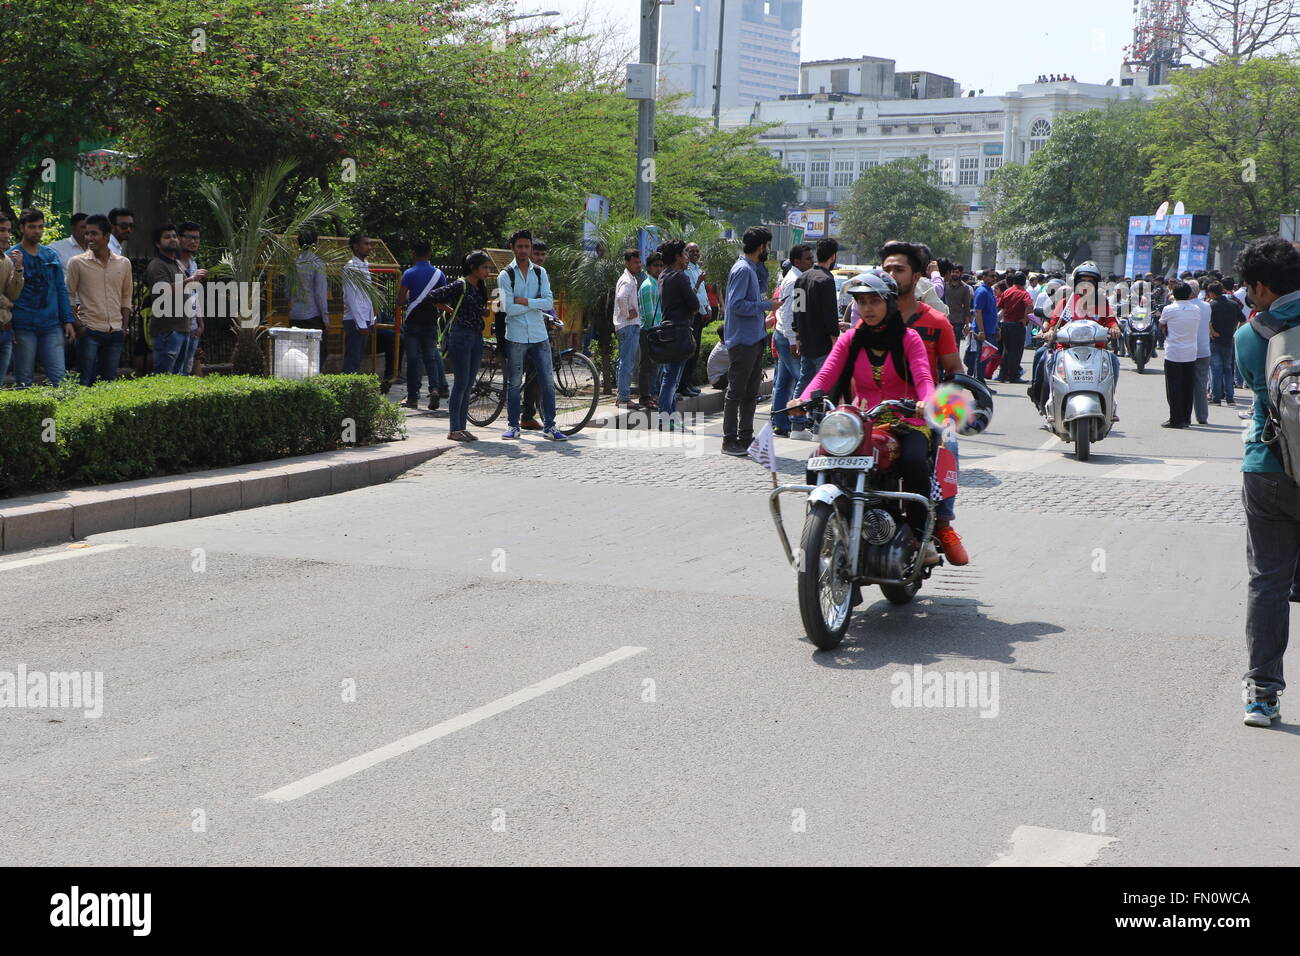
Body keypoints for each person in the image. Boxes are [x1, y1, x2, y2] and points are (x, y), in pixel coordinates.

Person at [791, 271, 938, 561]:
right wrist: (803, 399)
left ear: (890, 303)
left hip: (907, 422)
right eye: (861, 302)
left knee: (913, 461)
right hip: (862, 424)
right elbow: (825, 374)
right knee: (816, 459)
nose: (867, 308)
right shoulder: (849, 339)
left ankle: (923, 537)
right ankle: (825, 530)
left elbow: (923, 375)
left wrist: (927, 402)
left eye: (874, 301)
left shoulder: (909, 339)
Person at [1233, 237, 1300, 725]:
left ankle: (1262, 692)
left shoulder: (1249, 335)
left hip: (1270, 466)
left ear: (1261, 286)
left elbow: (1258, 391)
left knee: (1269, 581)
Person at [880, 242, 969, 565]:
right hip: (874, 411)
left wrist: (937, 404)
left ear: (917, 277)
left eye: (898, 269)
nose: (891, 275)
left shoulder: (936, 322)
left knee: (948, 444)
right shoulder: (867, 313)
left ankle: (940, 524)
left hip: (920, 410)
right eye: (886, 269)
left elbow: (955, 371)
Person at [498, 229, 566, 441]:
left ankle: (550, 426)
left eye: (527, 246)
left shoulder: (540, 273)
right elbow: (508, 308)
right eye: (520, 246)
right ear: (513, 248)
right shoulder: (505, 275)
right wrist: (533, 304)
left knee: (547, 382)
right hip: (516, 335)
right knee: (514, 383)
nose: (524, 250)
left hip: (539, 334)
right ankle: (513, 425)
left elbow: (548, 302)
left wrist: (525, 301)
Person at [1030, 262, 1121, 409]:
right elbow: (1054, 323)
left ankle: (1109, 400)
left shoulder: (1102, 303)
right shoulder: (1066, 303)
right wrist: (1051, 332)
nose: (1086, 284)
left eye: (1091, 281)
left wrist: (1115, 328)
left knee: (1114, 361)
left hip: (1096, 351)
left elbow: (1111, 321)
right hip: (1066, 350)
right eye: (1083, 280)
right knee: (1044, 360)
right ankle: (1044, 399)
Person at [425, 250, 493, 441]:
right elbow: (433, 296)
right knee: (461, 383)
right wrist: (449, 309)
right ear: (473, 268)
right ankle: (454, 429)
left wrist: (483, 312)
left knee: (468, 384)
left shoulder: (480, 286)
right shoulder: (460, 284)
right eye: (484, 267)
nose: (488, 271)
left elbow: (474, 308)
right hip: (461, 336)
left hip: (476, 337)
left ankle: (461, 427)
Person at [720, 226, 775, 455]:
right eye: (767, 246)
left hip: (755, 337)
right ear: (761, 246)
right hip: (743, 341)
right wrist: (767, 306)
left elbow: (761, 287)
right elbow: (737, 305)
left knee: (751, 393)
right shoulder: (742, 269)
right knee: (736, 392)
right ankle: (729, 440)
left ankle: (746, 437)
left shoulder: (751, 268)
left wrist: (761, 265)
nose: (769, 250)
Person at [10, 209, 75, 386]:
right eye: (32, 227)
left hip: (51, 324)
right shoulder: (12, 256)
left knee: (59, 378)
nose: (37, 231)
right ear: (22, 227)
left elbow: (61, 289)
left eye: (40, 227)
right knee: (24, 380)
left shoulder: (50, 255)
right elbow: (7, 295)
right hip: (23, 324)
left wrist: (68, 320)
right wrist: (10, 327)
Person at [64, 214, 131, 385]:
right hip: (89, 331)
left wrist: (123, 327)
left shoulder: (123, 263)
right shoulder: (77, 262)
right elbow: (68, 295)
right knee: (85, 381)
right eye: (87, 234)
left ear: (107, 236)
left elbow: (126, 297)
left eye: (93, 234)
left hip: (115, 330)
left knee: (108, 383)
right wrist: (79, 325)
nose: (88, 238)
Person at [791, 238, 840, 440]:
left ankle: (796, 425)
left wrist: (798, 335)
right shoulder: (826, 280)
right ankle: (819, 428)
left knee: (803, 381)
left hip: (806, 339)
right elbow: (830, 315)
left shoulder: (801, 279)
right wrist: (835, 339)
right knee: (822, 386)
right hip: (823, 342)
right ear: (833, 256)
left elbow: (797, 310)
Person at [395, 238, 449, 410]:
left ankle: (412, 398)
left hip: (412, 321)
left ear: (413, 253)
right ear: (430, 253)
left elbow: (400, 300)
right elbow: (443, 300)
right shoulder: (439, 274)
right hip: (430, 320)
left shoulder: (408, 274)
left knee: (412, 359)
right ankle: (434, 389)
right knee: (430, 357)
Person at [655, 239, 697, 430]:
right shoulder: (680, 277)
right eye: (685, 253)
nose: (687, 258)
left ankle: (670, 416)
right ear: (678, 256)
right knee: (671, 378)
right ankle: (665, 418)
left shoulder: (663, 275)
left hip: (667, 330)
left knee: (669, 376)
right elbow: (694, 304)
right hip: (679, 331)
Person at [771, 242, 811, 436]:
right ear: (797, 261)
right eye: (808, 259)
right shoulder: (796, 280)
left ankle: (781, 423)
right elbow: (789, 315)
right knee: (801, 381)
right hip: (787, 337)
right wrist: (793, 341)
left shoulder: (798, 278)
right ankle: (798, 423)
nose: (812, 262)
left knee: (784, 383)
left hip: (784, 335)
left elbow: (798, 311)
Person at [143, 223, 190, 374]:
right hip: (167, 331)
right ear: (158, 243)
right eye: (167, 237)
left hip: (183, 329)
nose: (173, 239)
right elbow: (162, 291)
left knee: (179, 379)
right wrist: (191, 280)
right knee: (164, 378)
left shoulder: (178, 264)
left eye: (174, 236)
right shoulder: (157, 265)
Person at [1159, 280, 1201, 428]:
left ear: (1173, 294)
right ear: (1189, 294)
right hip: (1190, 352)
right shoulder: (1196, 309)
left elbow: (1162, 324)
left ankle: (1175, 419)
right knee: (1187, 386)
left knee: (1173, 387)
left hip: (1174, 352)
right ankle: (1186, 418)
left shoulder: (1169, 309)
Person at [519, 239, 552, 428]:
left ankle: (528, 416)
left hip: (538, 330)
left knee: (536, 374)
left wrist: (552, 317)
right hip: (521, 330)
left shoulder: (542, 274)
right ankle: (519, 418)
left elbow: (547, 301)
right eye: (536, 254)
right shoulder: (520, 274)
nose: (540, 258)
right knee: (520, 375)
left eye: (542, 254)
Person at [289, 228, 331, 370]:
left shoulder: (293, 263)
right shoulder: (317, 263)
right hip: (313, 316)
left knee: (297, 353)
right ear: (315, 243)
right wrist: (325, 319)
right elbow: (320, 294)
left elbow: (287, 291)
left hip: (295, 315)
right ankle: (312, 382)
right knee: (319, 353)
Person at [612, 248, 642, 409]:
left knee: (624, 362)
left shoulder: (630, 278)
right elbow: (620, 297)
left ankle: (621, 396)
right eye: (635, 262)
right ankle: (623, 398)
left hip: (626, 326)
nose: (639, 265)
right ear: (627, 263)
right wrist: (627, 313)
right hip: (628, 326)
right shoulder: (627, 280)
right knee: (627, 362)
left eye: (639, 261)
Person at [341, 232, 376, 375]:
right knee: (353, 359)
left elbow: (368, 296)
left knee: (358, 358)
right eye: (365, 244)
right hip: (354, 320)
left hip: (364, 319)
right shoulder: (350, 268)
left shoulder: (365, 266)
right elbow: (351, 298)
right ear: (356, 247)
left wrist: (371, 319)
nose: (369, 247)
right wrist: (361, 323)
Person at [680, 242, 711, 396]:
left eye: (697, 251)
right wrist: (698, 281)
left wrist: (708, 309)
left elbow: (702, 294)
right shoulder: (687, 270)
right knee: (690, 351)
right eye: (691, 251)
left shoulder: (698, 269)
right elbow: (692, 294)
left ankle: (689, 382)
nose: (694, 254)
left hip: (700, 315)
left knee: (696, 351)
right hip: (692, 315)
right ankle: (683, 385)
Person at [175, 221, 206, 375]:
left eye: (197, 238)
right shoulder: (173, 263)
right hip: (176, 327)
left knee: (187, 371)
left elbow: (195, 296)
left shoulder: (193, 264)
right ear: (179, 238)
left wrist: (201, 324)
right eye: (189, 237)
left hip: (194, 328)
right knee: (176, 371)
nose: (194, 242)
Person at [637, 251, 665, 413]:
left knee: (656, 366)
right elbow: (648, 315)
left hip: (658, 330)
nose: (659, 268)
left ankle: (654, 395)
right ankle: (645, 397)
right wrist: (656, 332)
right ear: (648, 268)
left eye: (661, 265)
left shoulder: (658, 284)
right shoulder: (648, 286)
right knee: (647, 366)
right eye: (656, 265)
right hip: (649, 331)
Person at [0, 213, 25, 383]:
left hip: (5, 330)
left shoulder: (7, 261)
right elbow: (8, 300)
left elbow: (13, 294)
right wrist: (7, 303)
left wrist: (18, 268)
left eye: (8, 230)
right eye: (2, 230)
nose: (7, 235)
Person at [995, 272, 1033, 383]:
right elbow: (1029, 306)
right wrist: (1025, 319)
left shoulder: (1007, 291)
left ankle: (1003, 375)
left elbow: (1000, 306)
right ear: (1024, 282)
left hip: (1006, 324)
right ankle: (1014, 376)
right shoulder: (1024, 293)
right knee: (1016, 352)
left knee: (1006, 351)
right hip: (1017, 325)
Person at [1206, 281, 1238, 406]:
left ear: (1212, 293)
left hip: (1215, 341)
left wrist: (1212, 331)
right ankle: (1230, 398)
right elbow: (1242, 320)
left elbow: (1207, 321)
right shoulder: (1233, 304)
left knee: (1215, 369)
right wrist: (1235, 332)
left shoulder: (1211, 305)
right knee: (1228, 369)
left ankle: (1216, 398)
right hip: (1229, 340)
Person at [966, 267, 998, 384]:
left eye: (995, 276)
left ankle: (980, 381)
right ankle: (978, 382)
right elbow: (978, 312)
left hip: (991, 330)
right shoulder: (981, 291)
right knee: (981, 358)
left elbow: (992, 311)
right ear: (984, 277)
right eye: (991, 276)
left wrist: (996, 328)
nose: (994, 278)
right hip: (983, 330)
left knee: (986, 357)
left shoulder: (990, 290)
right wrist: (981, 331)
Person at [1191, 282, 1213, 424]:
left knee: (1185, 383)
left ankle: (1184, 415)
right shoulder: (1207, 306)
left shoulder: (1184, 307)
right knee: (1201, 384)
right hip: (1204, 348)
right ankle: (1202, 416)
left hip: (1187, 349)